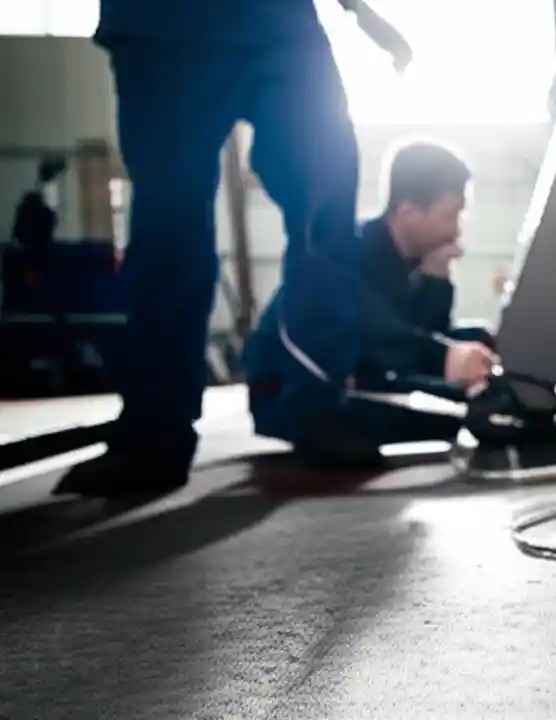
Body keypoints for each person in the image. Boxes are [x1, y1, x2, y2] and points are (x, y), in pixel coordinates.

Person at [55, 0, 412, 497]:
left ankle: (317, 406)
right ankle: (157, 428)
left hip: (279, 21)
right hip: (166, 26)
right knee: (170, 221)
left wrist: (358, 9)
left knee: (324, 203)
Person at [244, 143, 498, 462]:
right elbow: (373, 334)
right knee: (462, 413)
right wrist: (445, 357)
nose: (456, 230)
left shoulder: (405, 259)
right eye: (450, 216)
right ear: (408, 212)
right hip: (289, 391)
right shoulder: (351, 252)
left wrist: (437, 278)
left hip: (363, 372)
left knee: (474, 365)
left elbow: (420, 332)